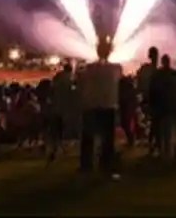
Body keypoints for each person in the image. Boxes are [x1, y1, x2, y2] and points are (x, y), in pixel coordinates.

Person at [79, 37, 123, 176]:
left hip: (91, 106)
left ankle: (87, 166)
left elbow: (81, 83)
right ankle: (106, 165)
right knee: (107, 139)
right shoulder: (116, 68)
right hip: (108, 106)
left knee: (88, 138)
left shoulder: (89, 68)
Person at [149, 55, 176, 160]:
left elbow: (152, 91)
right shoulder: (173, 74)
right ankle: (168, 152)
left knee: (161, 130)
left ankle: (163, 151)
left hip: (161, 106)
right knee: (166, 131)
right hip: (167, 106)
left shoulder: (157, 75)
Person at [47, 63, 74, 163]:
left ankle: (55, 149)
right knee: (63, 130)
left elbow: (51, 91)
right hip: (64, 109)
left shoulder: (57, 78)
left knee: (56, 130)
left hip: (55, 108)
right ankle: (59, 149)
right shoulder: (69, 79)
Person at [137, 46, 159, 156]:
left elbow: (140, 84)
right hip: (152, 99)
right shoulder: (150, 70)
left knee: (154, 122)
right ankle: (153, 143)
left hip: (151, 99)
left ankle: (152, 143)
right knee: (154, 122)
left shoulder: (147, 69)